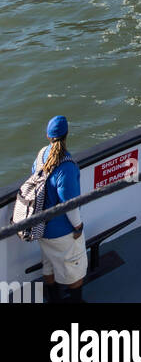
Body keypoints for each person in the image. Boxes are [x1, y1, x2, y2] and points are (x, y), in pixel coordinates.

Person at [34, 115, 86, 302]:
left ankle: (54, 300)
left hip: (41, 227)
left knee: (48, 266)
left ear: (48, 136)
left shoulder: (41, 155)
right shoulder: (66, 166)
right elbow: (69, 204)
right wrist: (78, 227)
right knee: (75, 272)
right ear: (67, 134)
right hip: (62, 231)